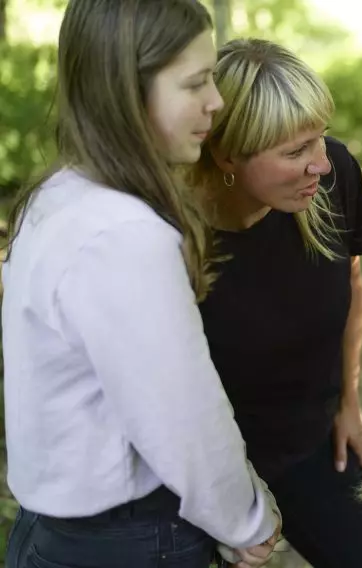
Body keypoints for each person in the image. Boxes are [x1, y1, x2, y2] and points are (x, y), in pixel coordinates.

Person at [2, 2, 281, 567]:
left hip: (56, 529)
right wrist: (246, 517)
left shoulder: (61, 195)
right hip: (124, 540)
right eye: (195, 83)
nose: (217, 102)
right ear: (125, 93)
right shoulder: (122, 234)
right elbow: (184, 417)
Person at [186, 38, 362, 568]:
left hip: (310, 439)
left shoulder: (332, 182)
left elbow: (350, 284)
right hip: (197, 465)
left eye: (320, 140)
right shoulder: (168, 235)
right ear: (226, 153)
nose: (321, 165)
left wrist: (349, 404)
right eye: (295, 151)